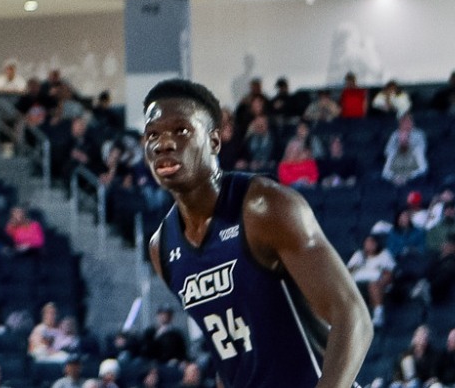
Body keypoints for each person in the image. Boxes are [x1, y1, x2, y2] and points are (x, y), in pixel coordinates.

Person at [142, 78, 370, 388]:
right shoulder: (163, 247)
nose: (162, 143)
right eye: (152, 134)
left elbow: (352, 316)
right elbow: (232, 356)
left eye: (181, 130)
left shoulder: (264, 207)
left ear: (214, 141)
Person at [346, 234, 396, 325]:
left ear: (377, 244)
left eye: (372, 243)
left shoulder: (385, 254)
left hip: (379, 285)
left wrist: (380, 283)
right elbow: (347, 272)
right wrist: (356, 266)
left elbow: (390, 274)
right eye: (367, 243)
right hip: (360, 284)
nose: (370, 245)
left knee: (373, 285)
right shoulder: (359, 255)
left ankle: (378, 316)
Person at [383, 115, 428, 185]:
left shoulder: (418, 135)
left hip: (413, 175)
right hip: (397, 173)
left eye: (408, 122)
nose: (406, 124)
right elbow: (385, 172)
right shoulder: (395, 135)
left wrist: (407, 177)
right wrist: (395, 178)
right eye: (403, 122)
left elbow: (423, 169)